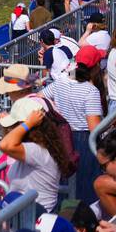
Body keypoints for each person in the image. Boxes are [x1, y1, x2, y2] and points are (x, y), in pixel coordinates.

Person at [43, 47, 105, 208]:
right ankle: (79, 225)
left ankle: (65, 222)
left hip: (62, 137)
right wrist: (111, 122)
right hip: (83, 141)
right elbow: (95, 127)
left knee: (66, 185)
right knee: (83, 189)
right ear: (96, 66)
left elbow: (41, 96)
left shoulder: (62, 81)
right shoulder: (90, 91)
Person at [0, 99, 71, 215]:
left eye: (14, 126)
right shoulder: (42, 147)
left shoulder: (36, 151)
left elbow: (4, 145)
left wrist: (27, 123)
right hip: (28, 212)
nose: (11, 129)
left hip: (34, 216)